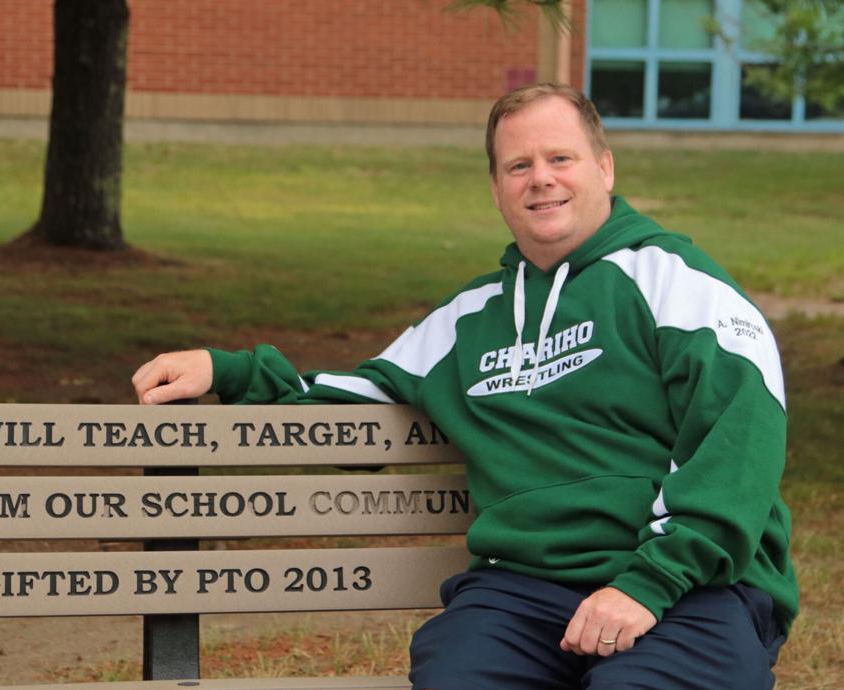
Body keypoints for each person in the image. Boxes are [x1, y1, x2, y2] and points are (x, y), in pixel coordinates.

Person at [131, 83, 797, 689]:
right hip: (525, 592)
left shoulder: (676, 285)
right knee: (456, 675)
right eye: (519, 166)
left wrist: (648, 584)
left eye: (559, 159)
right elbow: (347, 404)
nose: (541, 179)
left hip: (689, 586)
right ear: (497, 189)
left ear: (604, 167)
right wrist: (228, 371)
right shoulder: (467, 321)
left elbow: (737, 443)